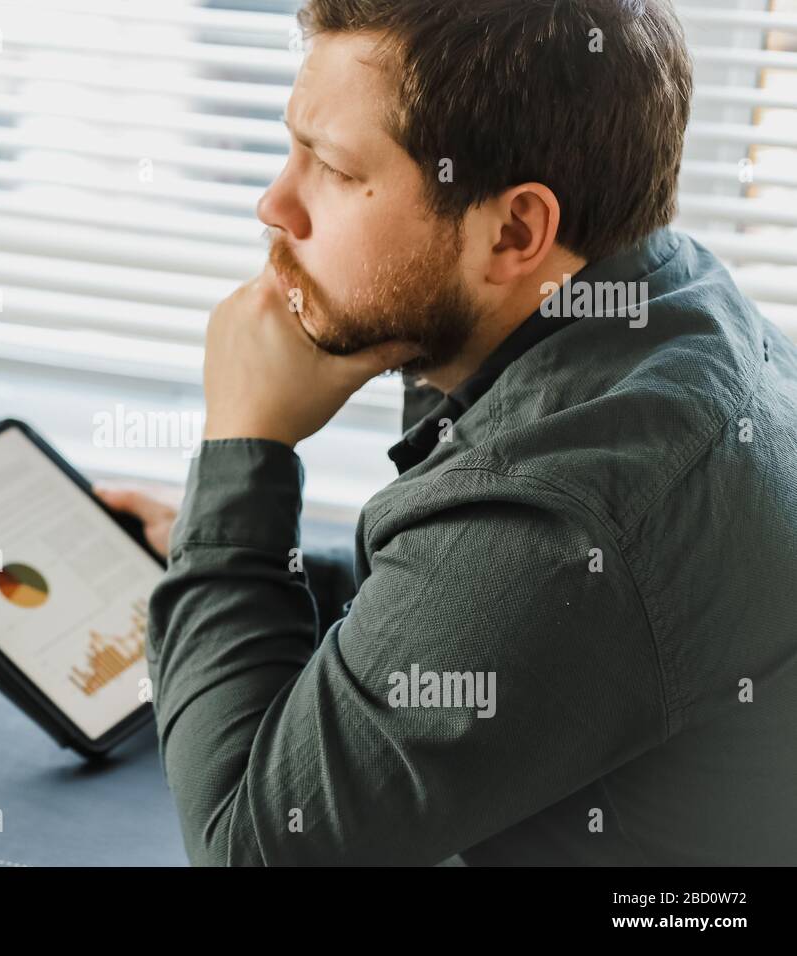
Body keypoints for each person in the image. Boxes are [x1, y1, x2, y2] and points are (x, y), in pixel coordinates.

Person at [95, 0, 797, 865]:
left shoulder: (560, 517)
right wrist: (273, 566)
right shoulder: (666, 291)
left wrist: (245, 455)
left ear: (513, 231)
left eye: (333, 168)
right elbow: (515, 614)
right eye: (292, 147)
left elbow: (250, 847)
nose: (274, 204)